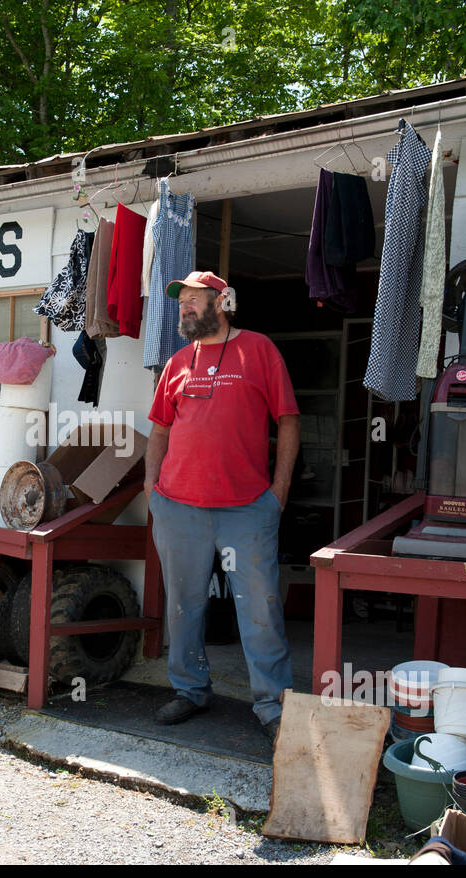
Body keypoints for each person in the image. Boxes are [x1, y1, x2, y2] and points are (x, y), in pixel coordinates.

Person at [144, 270, 300, 742]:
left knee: (260, 607)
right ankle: (190, 690)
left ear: (222, 302)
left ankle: (273, 705)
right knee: (183, 606)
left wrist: (279, 493)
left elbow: (288, 421)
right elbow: (160, 430)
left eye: (194, 300)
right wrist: (151, 488)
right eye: (182, 302)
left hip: (247, 508)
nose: (185, 308)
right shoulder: (176, 363)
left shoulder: (259, 350)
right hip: (177, 507)